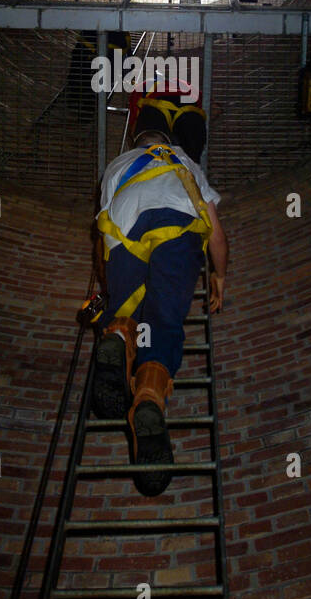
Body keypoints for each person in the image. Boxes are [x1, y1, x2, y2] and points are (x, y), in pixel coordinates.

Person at [92, 124, 229, 495]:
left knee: (128, 312)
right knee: (163, 319)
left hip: (123, 234)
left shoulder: (117, 166)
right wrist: (219, 275)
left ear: (136, 146)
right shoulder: (183, 160)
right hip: (176, 229)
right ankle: (149, 398)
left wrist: (106, 289)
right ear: (166, 145)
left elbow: (101, 238)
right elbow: (215, 231)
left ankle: (119, 335)